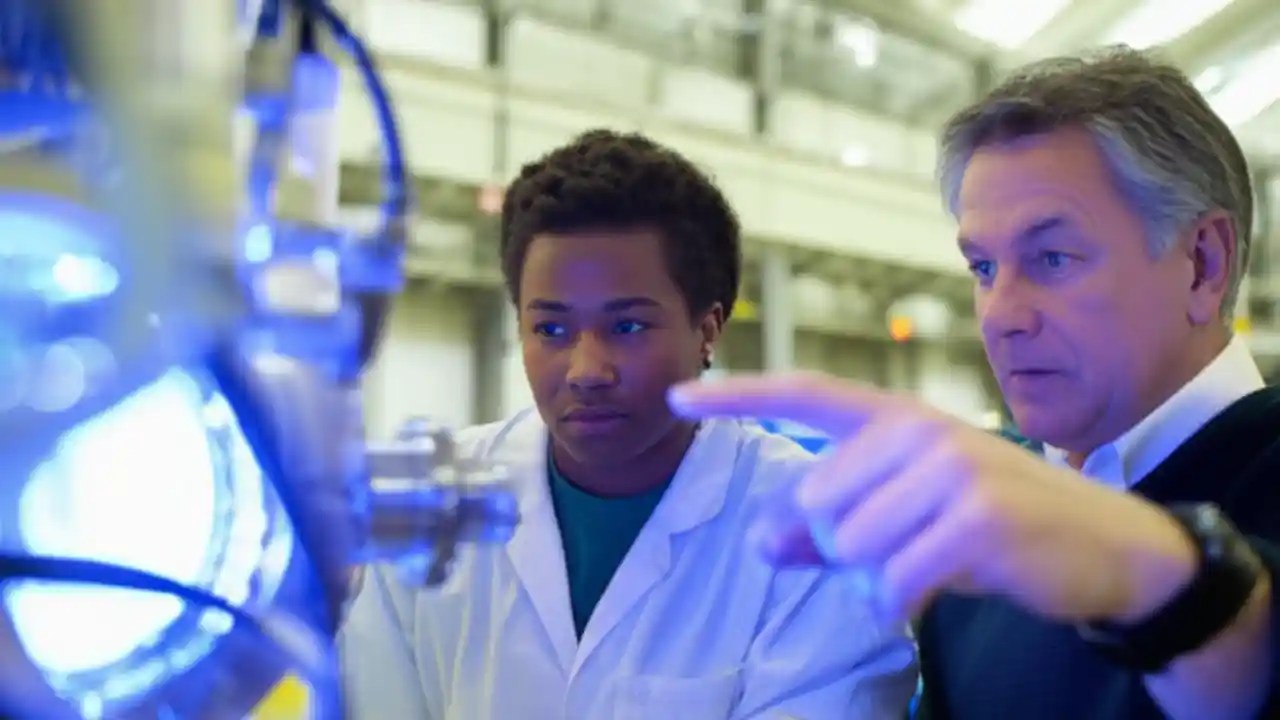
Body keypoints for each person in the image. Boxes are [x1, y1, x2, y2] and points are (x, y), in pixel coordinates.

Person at [665, 47, 1280, 720]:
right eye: (983, 268)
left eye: (1052, 258)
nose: (1000, 316)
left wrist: (1172, 587)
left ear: (1203, 263)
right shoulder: (980, 529)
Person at [339, 129, 918, 719]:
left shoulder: (814, 532)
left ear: (708, 330)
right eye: (551, 330)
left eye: (628, 327)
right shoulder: (430, 505)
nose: (586, 371)